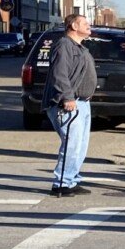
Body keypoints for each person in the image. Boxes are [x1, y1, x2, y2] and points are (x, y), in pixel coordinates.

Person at [42, 14, 97, 197]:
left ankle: (71, 180)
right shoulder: (64, 45)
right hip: (68, 103)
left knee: (80, 145)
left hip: (83, 103)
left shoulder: (79, 47)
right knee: (72, 144)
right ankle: (61, 184)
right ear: (74, 25)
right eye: (85, 23)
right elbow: (59, 73)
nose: (89, 26)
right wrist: (67, 97)